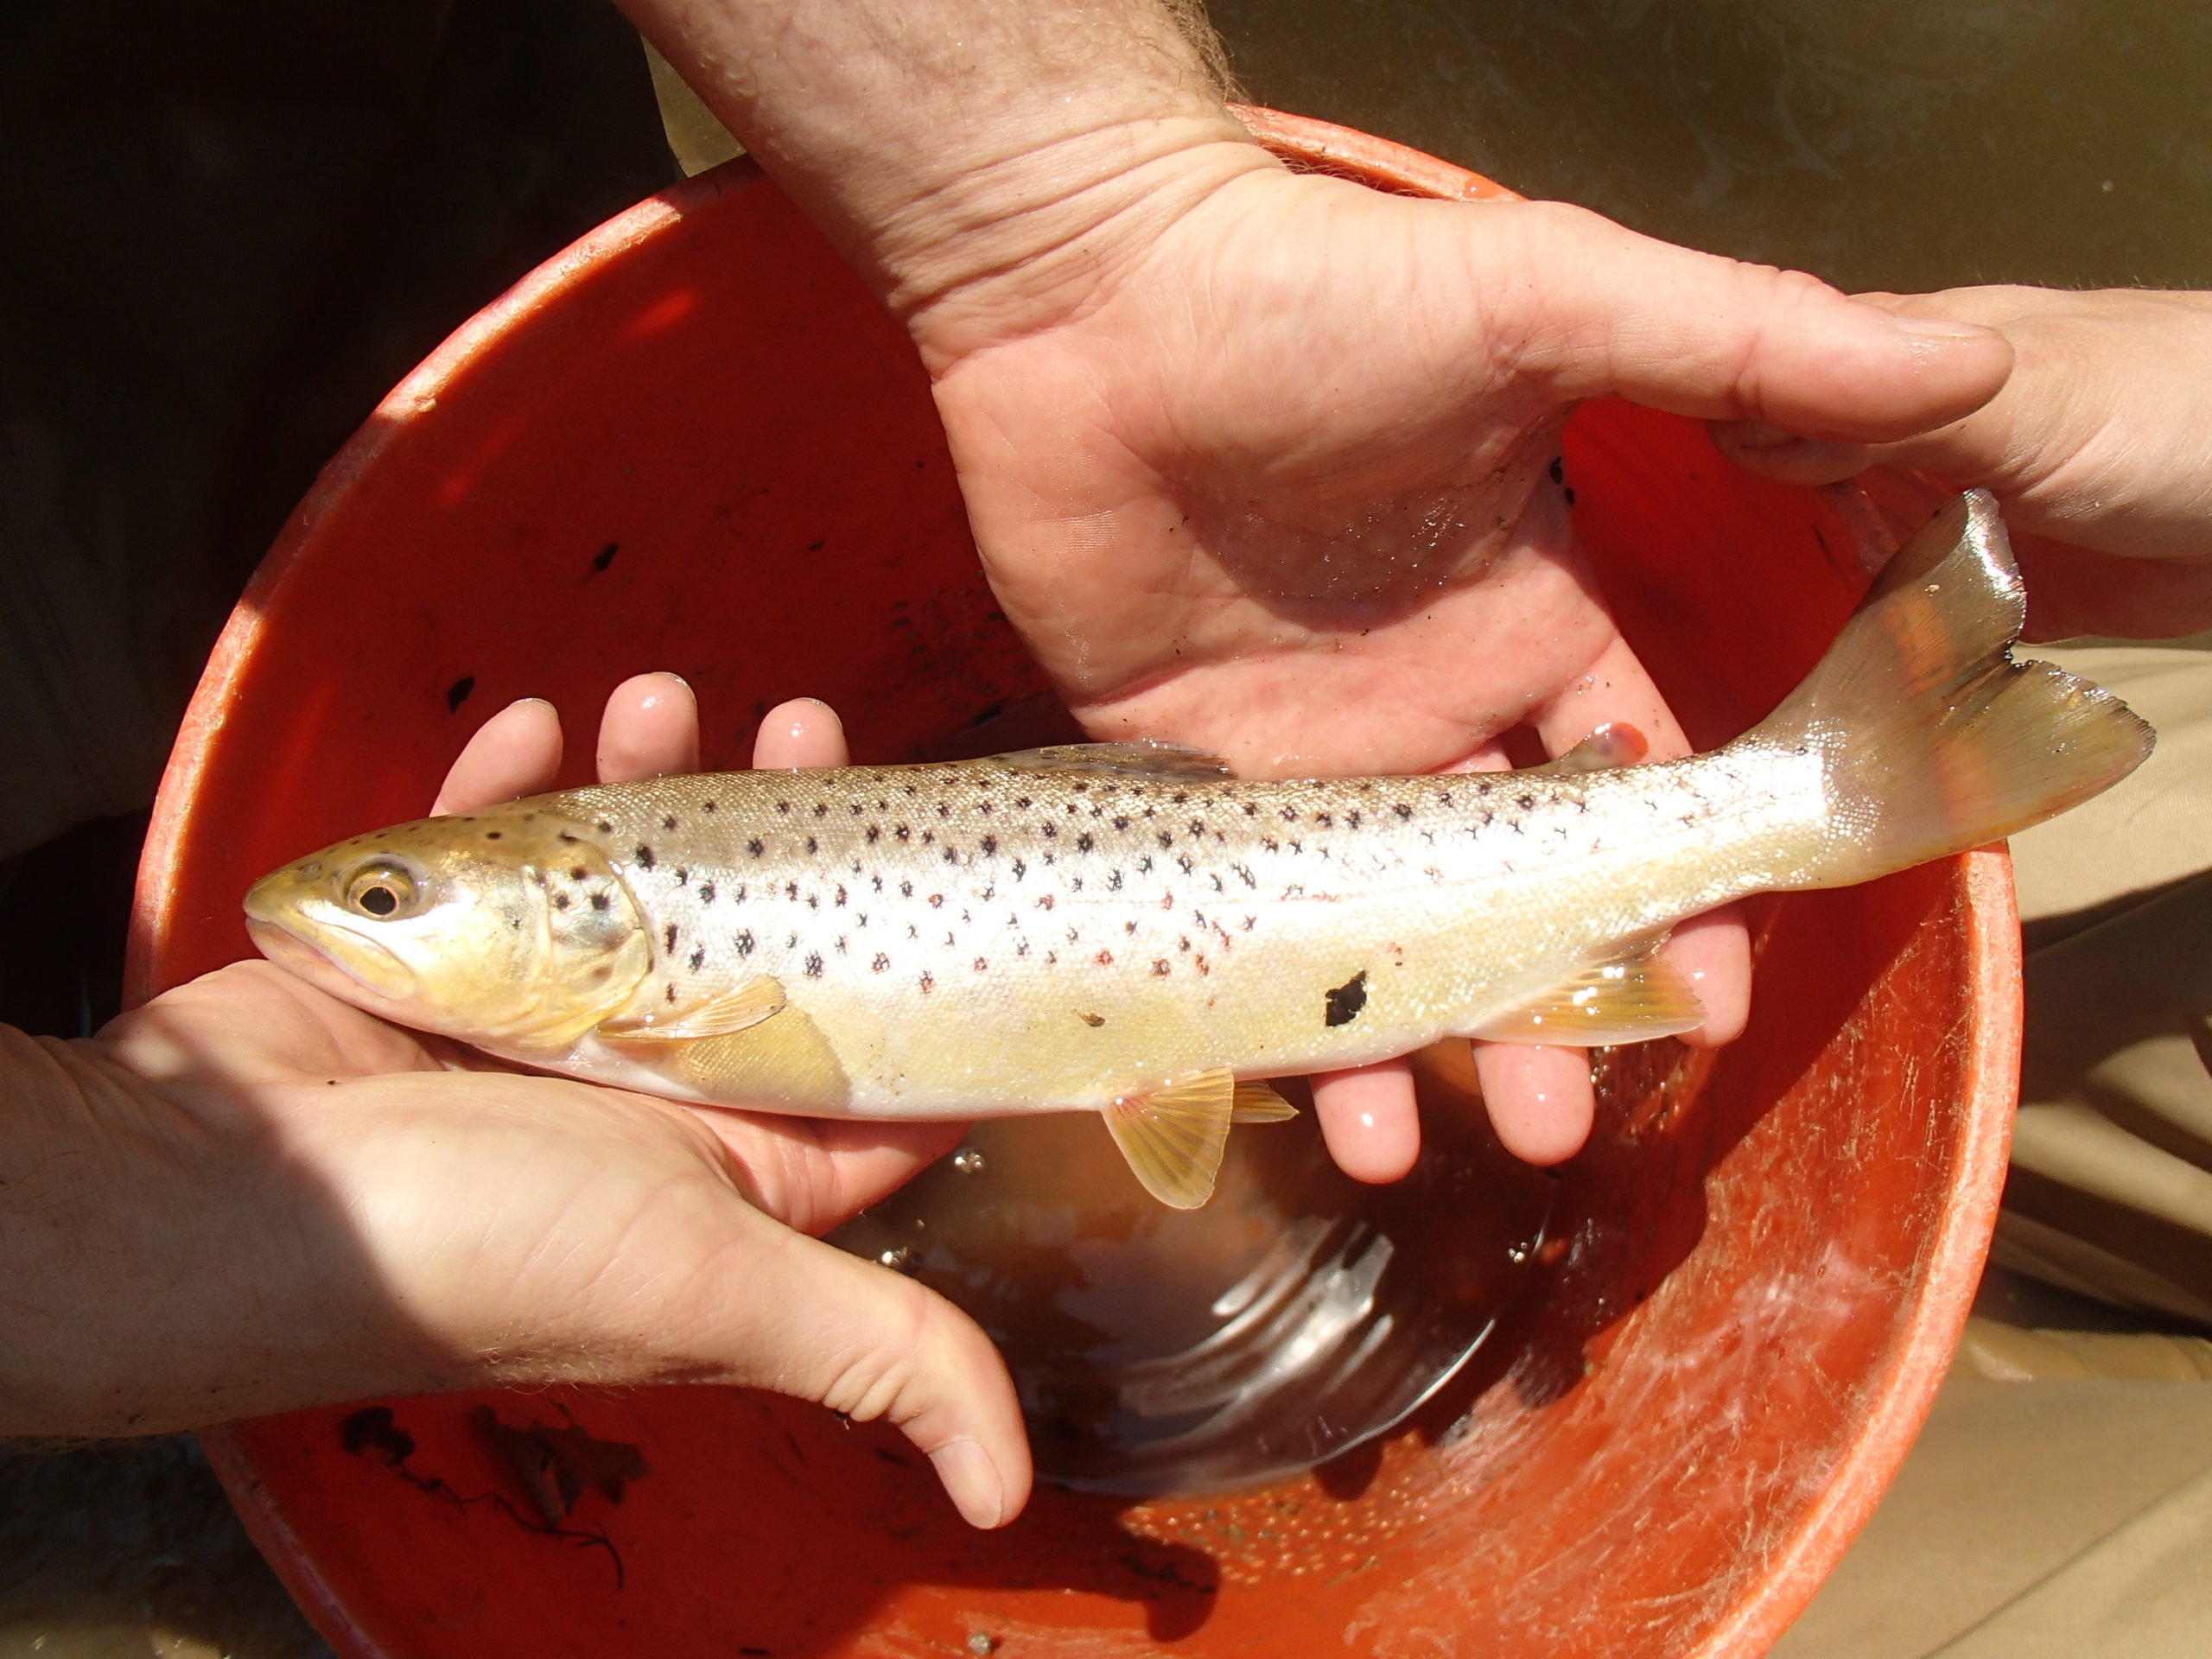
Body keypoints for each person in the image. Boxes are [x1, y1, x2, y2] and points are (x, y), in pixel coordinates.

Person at [0, 0, 2097, 1537]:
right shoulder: (594, 999)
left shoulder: (643, 998)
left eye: (387, 899)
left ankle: (1812, 787)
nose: (324, 919)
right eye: (386, 900)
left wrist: (1069, 218)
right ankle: (1816, 782)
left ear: (583, 909)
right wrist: (137, 1201)